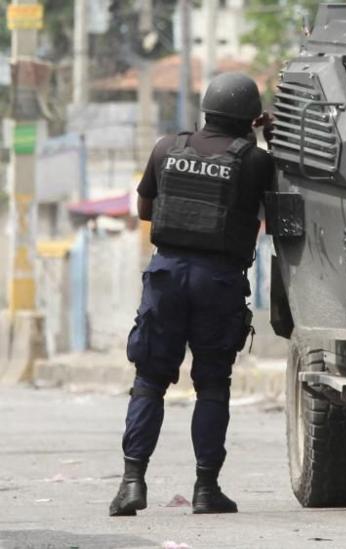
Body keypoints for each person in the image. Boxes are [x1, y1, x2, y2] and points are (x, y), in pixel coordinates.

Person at [109, 73, 275, 517]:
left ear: (206, 109)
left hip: (166, 275)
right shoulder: (255, 161)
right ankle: (206, 489)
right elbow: (278, 214)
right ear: (250, 118)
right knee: (212, 384)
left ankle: (131, 484)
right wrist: (268, 134)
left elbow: (146, 210)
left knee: (149, 381)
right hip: (218, 280)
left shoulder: (166, 148)